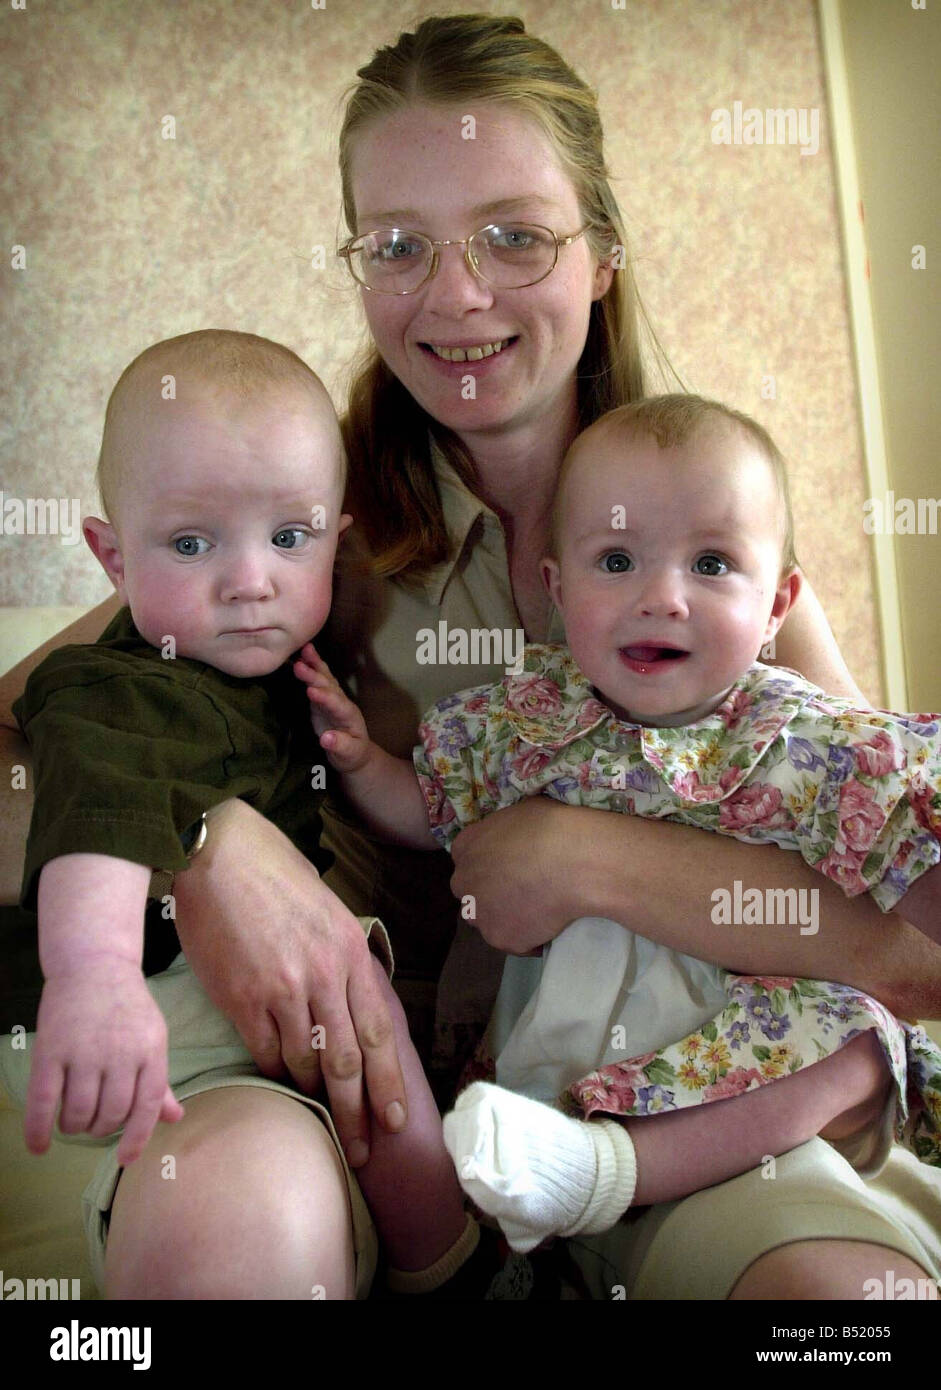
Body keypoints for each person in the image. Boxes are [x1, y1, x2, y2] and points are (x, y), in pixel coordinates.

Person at [2, 15, 939, 1299]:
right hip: (398, 1123)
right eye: (398, 246)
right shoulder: (297, 536)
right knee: (230, 1224)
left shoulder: (719, 544)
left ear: (603, 253)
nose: (454, 296)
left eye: (515, 235)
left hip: (707, 1095)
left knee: (835, 1309)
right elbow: (53, 733)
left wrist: (580, 854)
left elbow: (908, 950)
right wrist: (211, 845)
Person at [296, 391, 941, 1255]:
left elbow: (915, 866)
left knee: (855, 1046)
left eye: (710, 565)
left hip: (748, 1065)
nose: (661, 597)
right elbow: (436, 811)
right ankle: (555, 1186)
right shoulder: (527, 719)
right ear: (558, 592)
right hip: (561, 1057)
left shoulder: (808, 742)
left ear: (779, 603)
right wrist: (359, 760)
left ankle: (605, 1174)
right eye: (615, 562)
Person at [1, 327, 492, 1298]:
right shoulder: (121, 688)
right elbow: (96, 818)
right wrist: (92, 974)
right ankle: (443, 1253)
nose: (249, 579)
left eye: (288, 538)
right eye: (192, 544)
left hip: (222, 1024)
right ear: (112, 557)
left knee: (358, 1004)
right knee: (366, 1007)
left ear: (336, 539)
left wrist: (352, 752)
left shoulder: (268, 672)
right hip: (144, 1005)